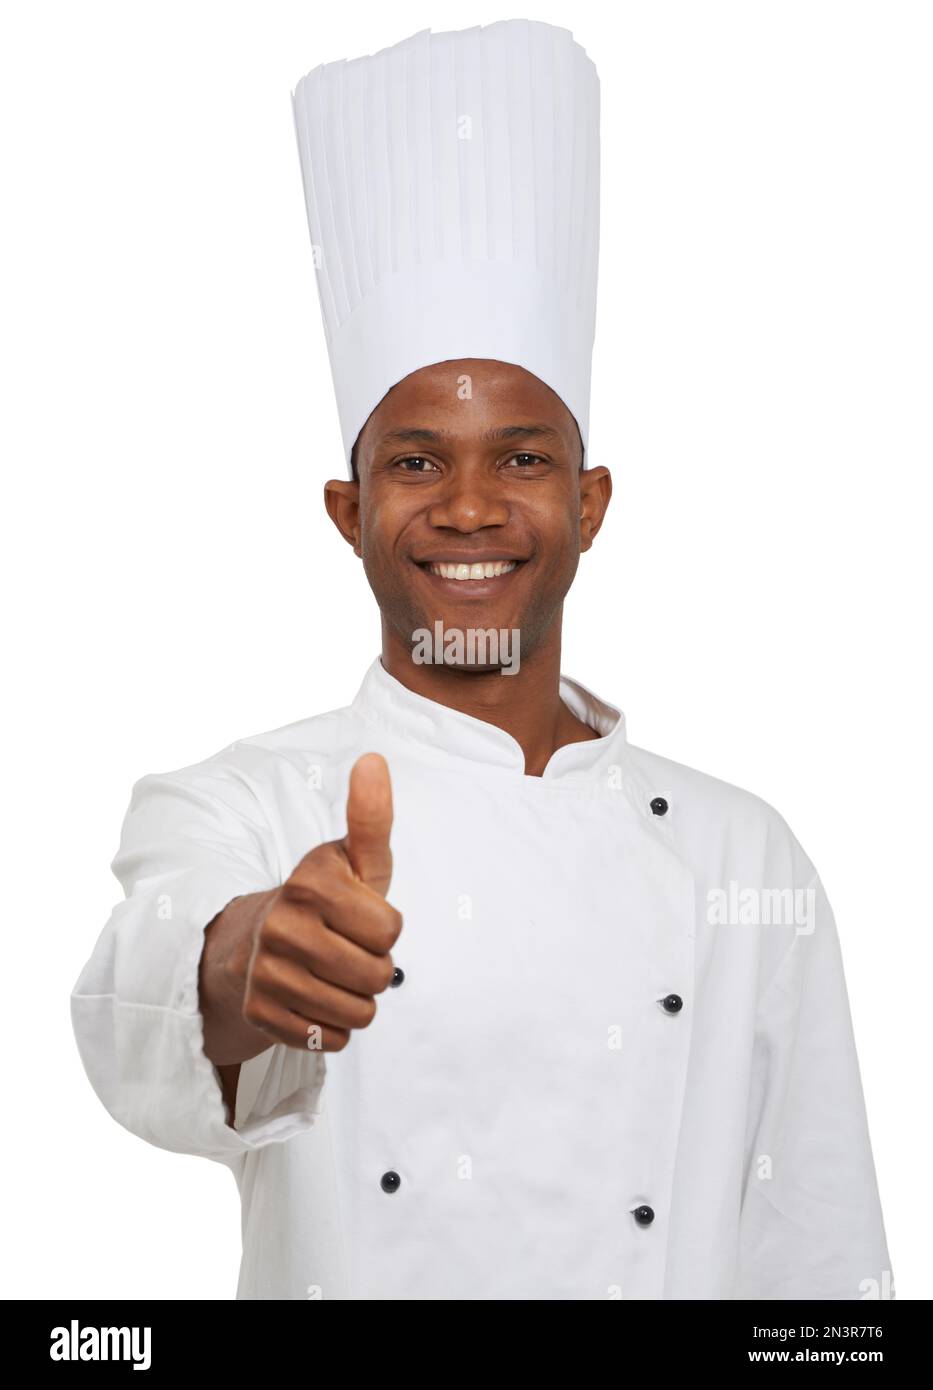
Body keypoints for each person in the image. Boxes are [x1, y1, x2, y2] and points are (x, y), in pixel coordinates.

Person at [71, 18, 892, 1300]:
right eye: (415, 461)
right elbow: (142, 989)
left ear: (590, 503)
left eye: (521, 457)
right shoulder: (242, 805)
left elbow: (821, 1265)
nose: (467, 508)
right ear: (349, 511)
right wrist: (245, 958)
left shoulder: (745, 858)